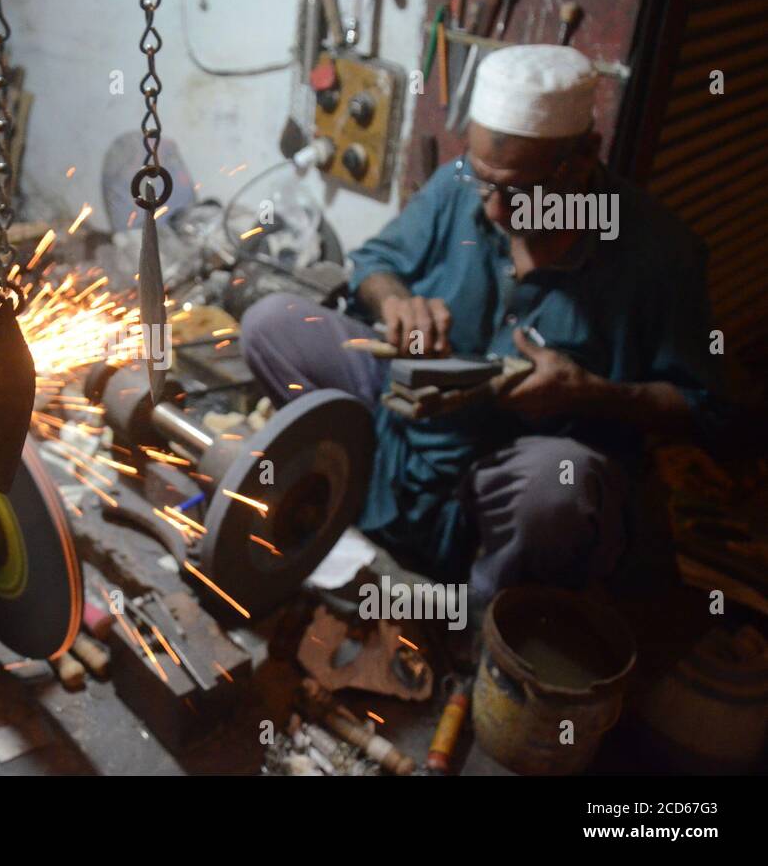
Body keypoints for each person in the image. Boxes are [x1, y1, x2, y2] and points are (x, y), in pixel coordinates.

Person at [241, 45, 723, 610]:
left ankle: (478, 620)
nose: (494, 210)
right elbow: (376, 263)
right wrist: (398, 303)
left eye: (518, 192)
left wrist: (598, 395)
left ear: (585, 157)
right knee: (270, 324)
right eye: (485, 184)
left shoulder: (660, 254)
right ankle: (343, 492)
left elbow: (707, 409)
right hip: (406, 425)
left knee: (556, 485)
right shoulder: (460, 184)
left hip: (508, 476)